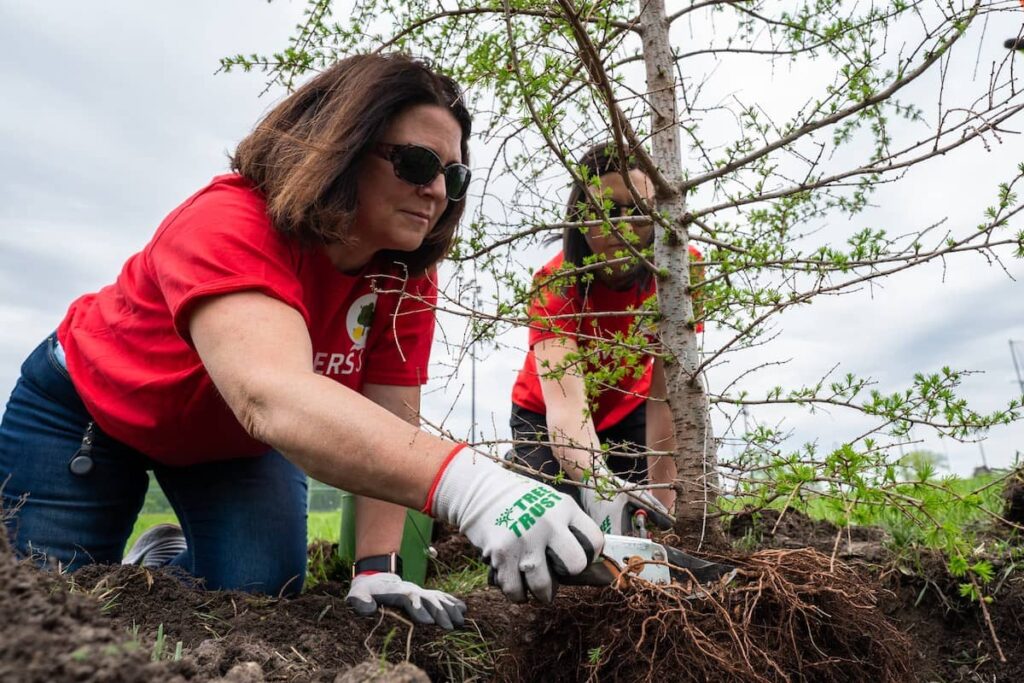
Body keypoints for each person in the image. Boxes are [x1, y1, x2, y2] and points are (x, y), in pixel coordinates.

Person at [0, 53, 603, 630]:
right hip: (90, 412)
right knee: (49, 604)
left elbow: (391, 415)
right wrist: (477, 487)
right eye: (418, 164)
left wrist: (377, 567)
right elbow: (272, 395)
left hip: (229, 442)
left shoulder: (403, 275)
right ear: (341, 146)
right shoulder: (228, 221)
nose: (438, 192)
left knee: (260, 588)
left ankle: (159, 565)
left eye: (454, 175)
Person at [508, 142, 704, 537]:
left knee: (639, 519)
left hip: (629, 411)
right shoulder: (556, 283)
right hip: (547, 417)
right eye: (608, 211)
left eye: (639, 212)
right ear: (581, 217)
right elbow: (568, 412)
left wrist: (664, 507)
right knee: (567, 522)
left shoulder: (681, 273)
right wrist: (600, 487)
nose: (623, 228)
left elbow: (664, 398)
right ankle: (521, 464)